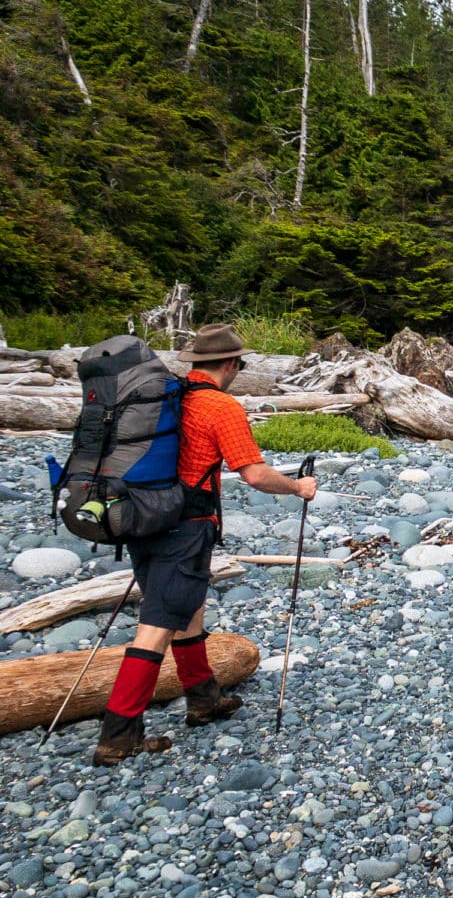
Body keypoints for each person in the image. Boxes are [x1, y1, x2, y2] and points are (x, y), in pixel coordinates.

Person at [93, 324, 320, 767]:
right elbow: (253, 474)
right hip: (185, 524)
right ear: (232, 364)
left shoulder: (169, 398)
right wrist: (298, 488)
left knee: (187, 609)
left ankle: (203, 699)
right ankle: (118, 735)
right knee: (158, 623)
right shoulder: (219, 406)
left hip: (140, 518)